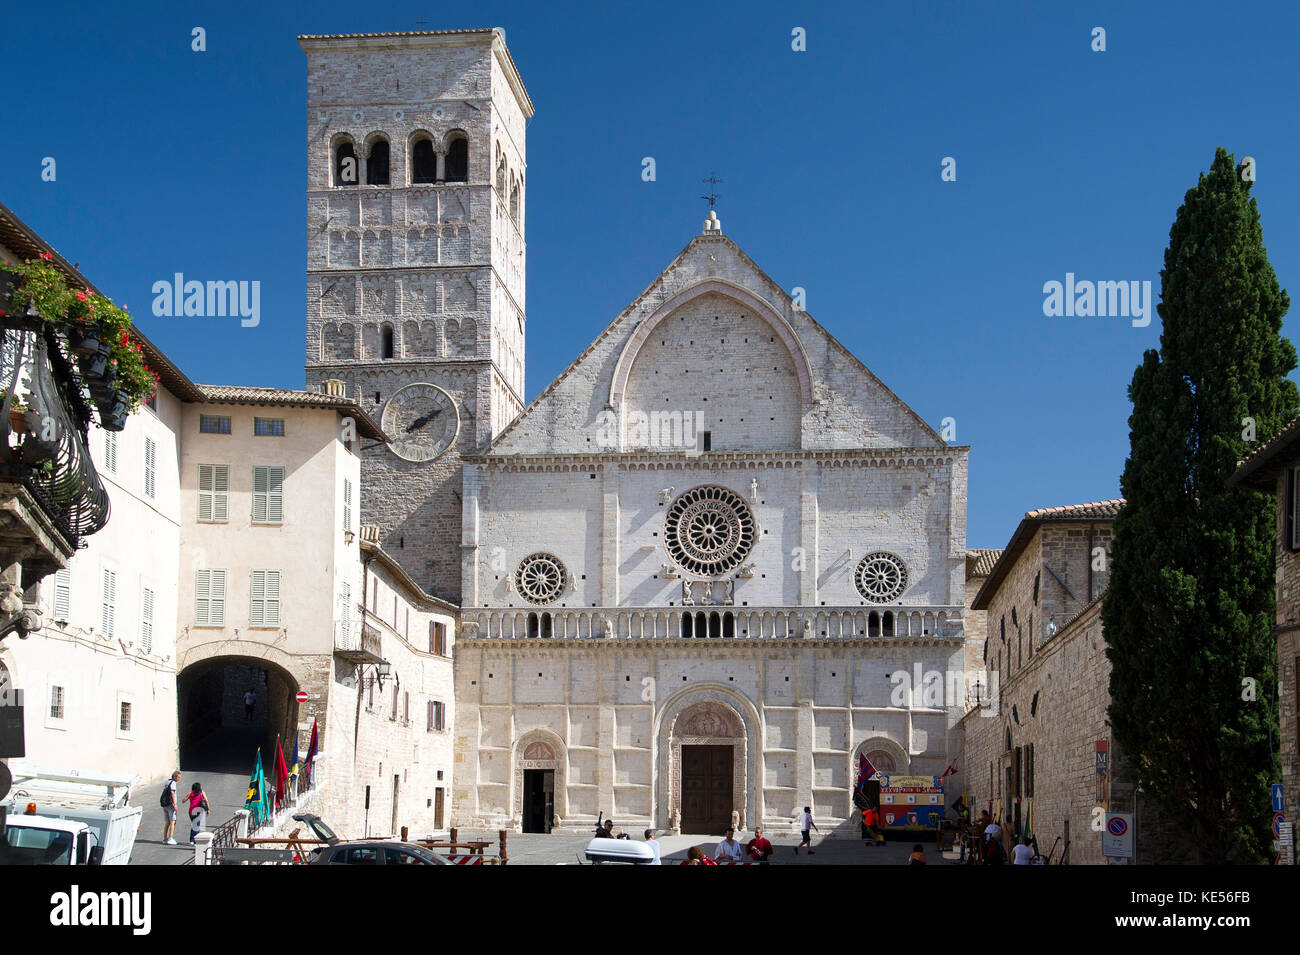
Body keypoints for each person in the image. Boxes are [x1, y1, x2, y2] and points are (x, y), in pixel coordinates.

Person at [161, 771, 181, 845]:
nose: (179, 779)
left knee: (167, 822)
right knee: (172, 822)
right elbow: (172, 793)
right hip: (170, 805)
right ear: (174, 777)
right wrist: (175, 804)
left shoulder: (167, 782)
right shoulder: (173, 783)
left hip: (165, 804)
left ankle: (165, 838)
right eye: (178, 777)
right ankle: (170, 838)